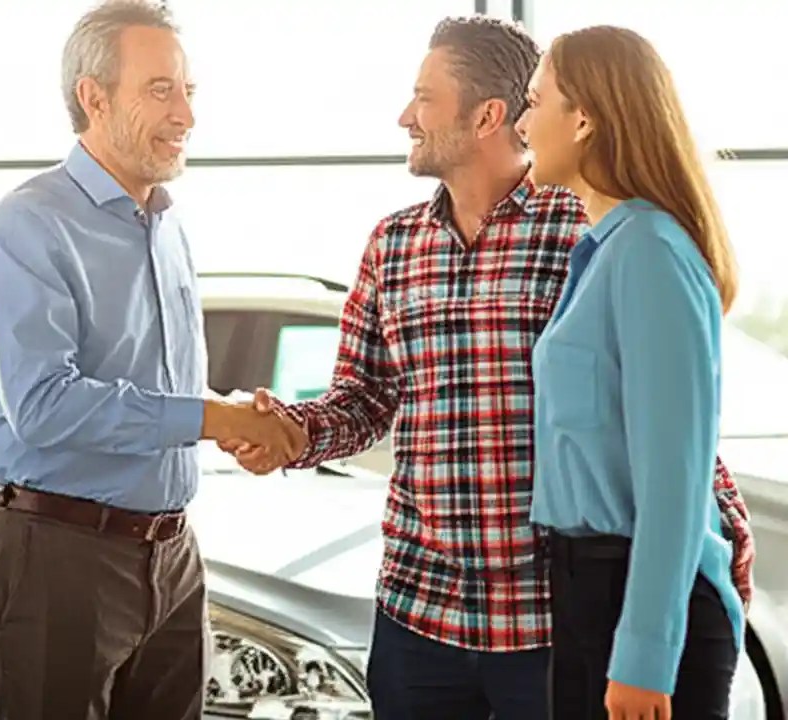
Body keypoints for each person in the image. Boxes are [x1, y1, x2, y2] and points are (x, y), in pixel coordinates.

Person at [222, 15, 755, 720]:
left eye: (424, 98)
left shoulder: (594, 228)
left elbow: (666, 422)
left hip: (552, 616)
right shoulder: (394, 244)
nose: (404, 117)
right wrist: (290, 434)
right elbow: (363, 398)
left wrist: (710, 542)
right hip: (420, 612)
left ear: (488, 115)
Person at [0, 2, 306, 718]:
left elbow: (156, 389)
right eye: (161, 89)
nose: (186, 113)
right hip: (61, 558)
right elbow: (43, 405)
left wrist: (229, 417)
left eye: (189, 91)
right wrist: (210, 417)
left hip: (174, 555)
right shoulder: (30, 224)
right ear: (94, 97)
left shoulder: (167, 222)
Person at [517, 25, 744, 720]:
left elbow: (674, 480)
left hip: (637, 608)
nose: (523, 122)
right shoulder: (608, 251)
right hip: (588, 589)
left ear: (583, 118)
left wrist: (645, 656)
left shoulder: (649, 251)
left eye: (534, 101)